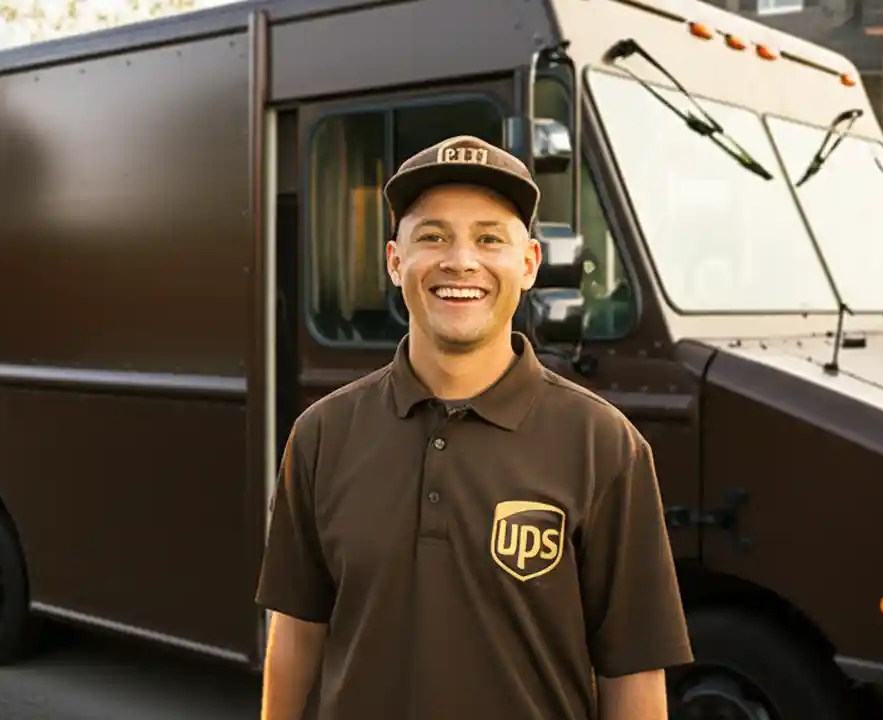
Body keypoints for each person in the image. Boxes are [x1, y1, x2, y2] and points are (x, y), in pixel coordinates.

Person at [255, 135, 693, 720]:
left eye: (490, 238)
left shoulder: (604, 446)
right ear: (394, 262)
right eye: (432, 236)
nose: (460, 260)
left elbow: (633, 675)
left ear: (530, 263)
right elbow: (295, 640)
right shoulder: (320, 436)